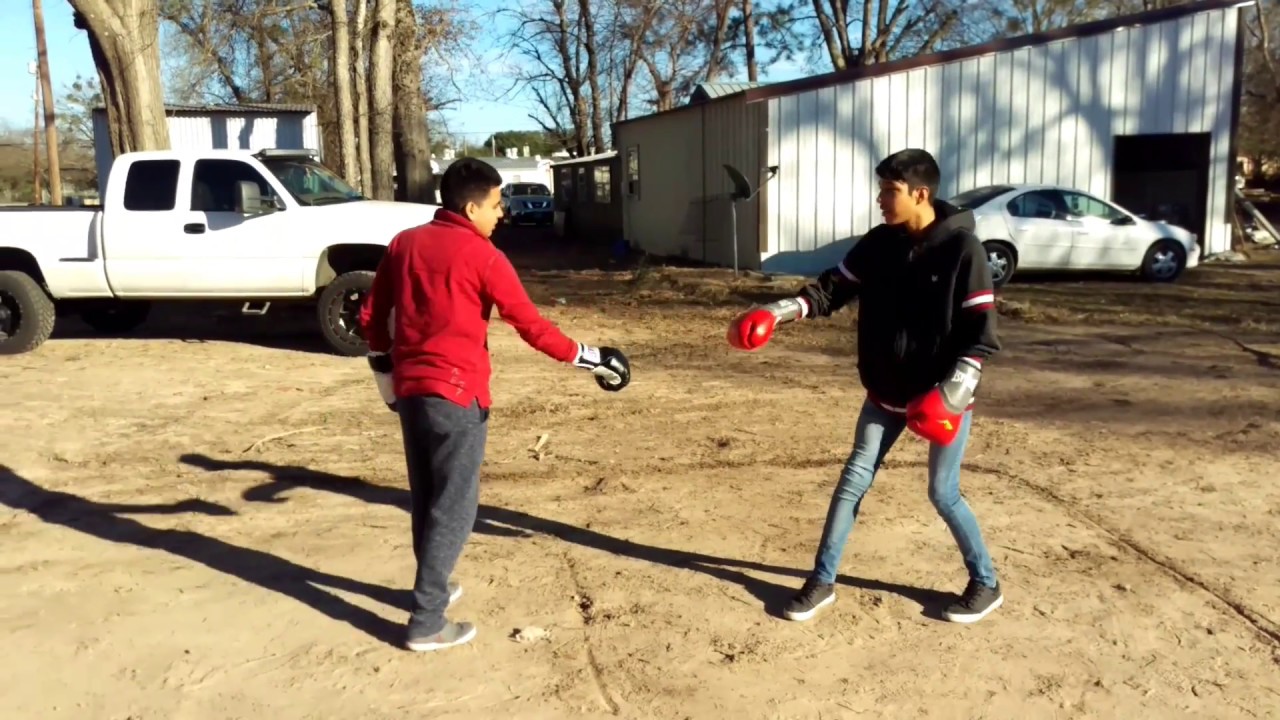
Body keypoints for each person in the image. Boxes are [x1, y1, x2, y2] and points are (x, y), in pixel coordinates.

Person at [358, 157, 632, 652]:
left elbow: (374, 314)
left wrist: (385, 377)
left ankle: (432, 587)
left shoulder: (405, 243)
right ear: (470, 207)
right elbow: (530, 326)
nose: (501, 214)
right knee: (456, 506)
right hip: (458, 395)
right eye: (496, 204)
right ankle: (426, 620)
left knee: (428, 496)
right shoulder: (484, 256)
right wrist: (592, 358)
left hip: (413, 390)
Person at [727, 148, 1003, 624]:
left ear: (920, 193)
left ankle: (986, 582)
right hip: (884, 390)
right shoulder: (879, 243)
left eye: (888, 191)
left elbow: (981, 336)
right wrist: (778, 311)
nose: (880, 199)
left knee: (943, 492)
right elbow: (831, 290)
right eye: (880, 189)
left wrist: (953, 392)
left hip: (939, 397)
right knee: (853, 479)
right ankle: (822, 580)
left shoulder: (963, 251)